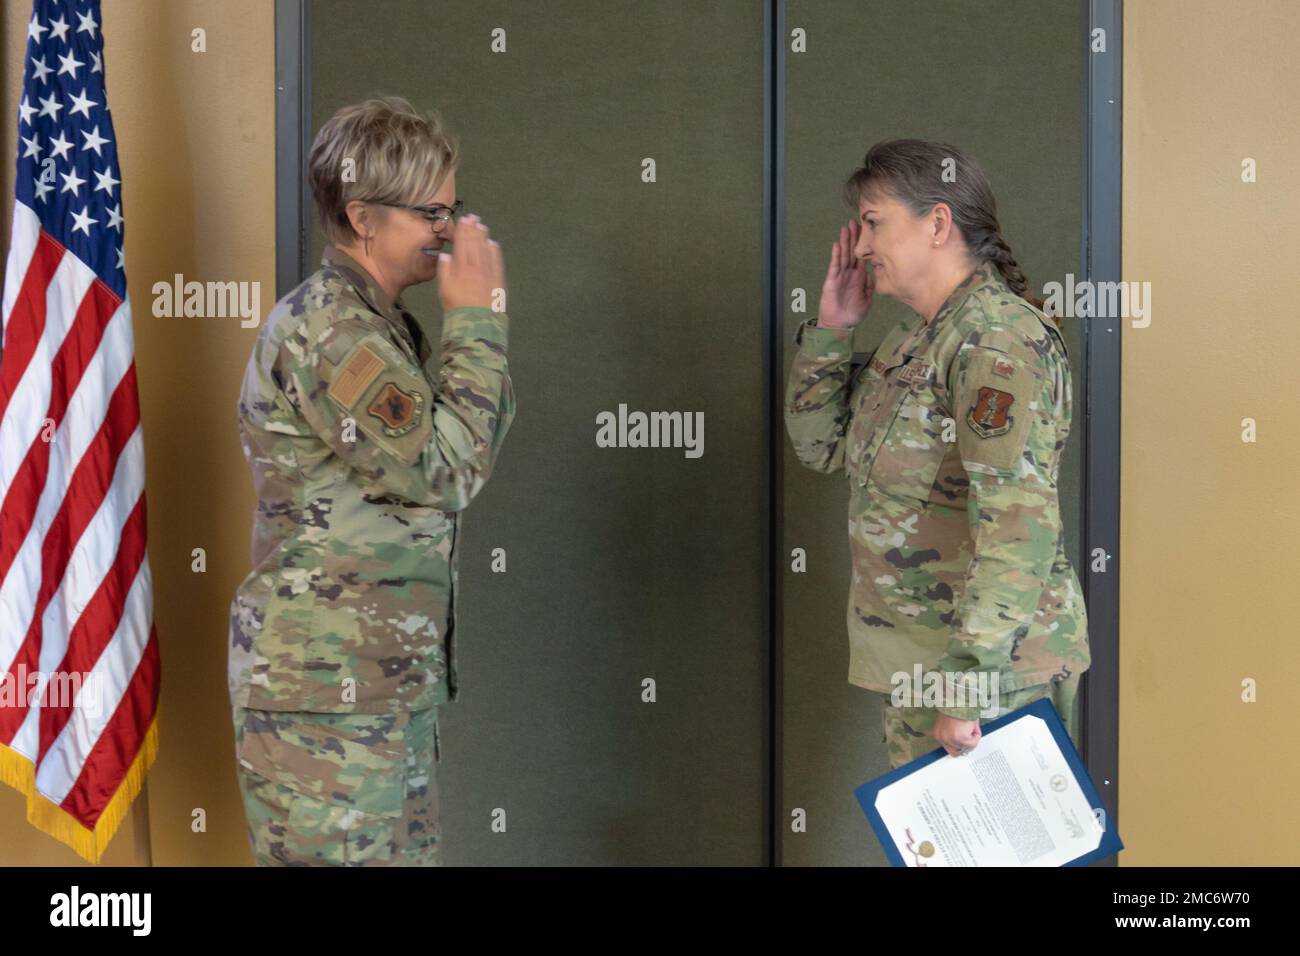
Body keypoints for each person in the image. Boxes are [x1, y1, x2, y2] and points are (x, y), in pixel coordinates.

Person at [228, 96, 516, 864]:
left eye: (452, 208)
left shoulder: (377, 325)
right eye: (431, 213)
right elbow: (449, 468)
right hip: (326, 706)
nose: (449, 230)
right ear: (363, 218)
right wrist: (479, 322)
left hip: (375, 695)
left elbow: (457, 446)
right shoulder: (332, 331)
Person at [784, 138, 1089, 770]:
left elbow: (1018, 526)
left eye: (875, 223)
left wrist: (968, 687)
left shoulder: (994, 340)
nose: (862, 247)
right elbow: (822, 447)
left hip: (990, 675)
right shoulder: (917, 339)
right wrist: (833, 331)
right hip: (924, 663)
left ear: (938, 223)